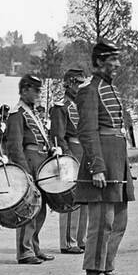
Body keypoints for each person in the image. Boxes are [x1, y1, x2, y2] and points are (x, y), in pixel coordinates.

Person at [74, 41, 133, 275]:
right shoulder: (89, 90)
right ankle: (93, 270)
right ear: (99, 61)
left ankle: (107, 266)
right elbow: (88, 132)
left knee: (119, 219)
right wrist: (97, 166)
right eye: (113, 60)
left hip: (117, 162)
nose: (117, 65)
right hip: (102, 164)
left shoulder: (112, 89)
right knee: (102, 221)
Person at [7, 74, 58, 265]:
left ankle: (35, 247)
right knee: (29, 208)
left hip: (41, 163)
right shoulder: (17, 113)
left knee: (40, 209)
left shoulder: (32, 112)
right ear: (25, 90)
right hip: (29, 163)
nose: (38, 94)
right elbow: (14, 146)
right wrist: (24, 171)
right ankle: (24, 251)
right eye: (35, 90)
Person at [49, 68, 88, 254]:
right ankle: (68, 242)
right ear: (69, 83)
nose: (80, 87)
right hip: (70, 152)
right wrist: (66, 157)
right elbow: (58, 135)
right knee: (70, 198)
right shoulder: (61, 107)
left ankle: (82, 238)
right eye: (78, 83)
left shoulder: (83, 105)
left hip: (85, 152)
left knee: (85, 197)